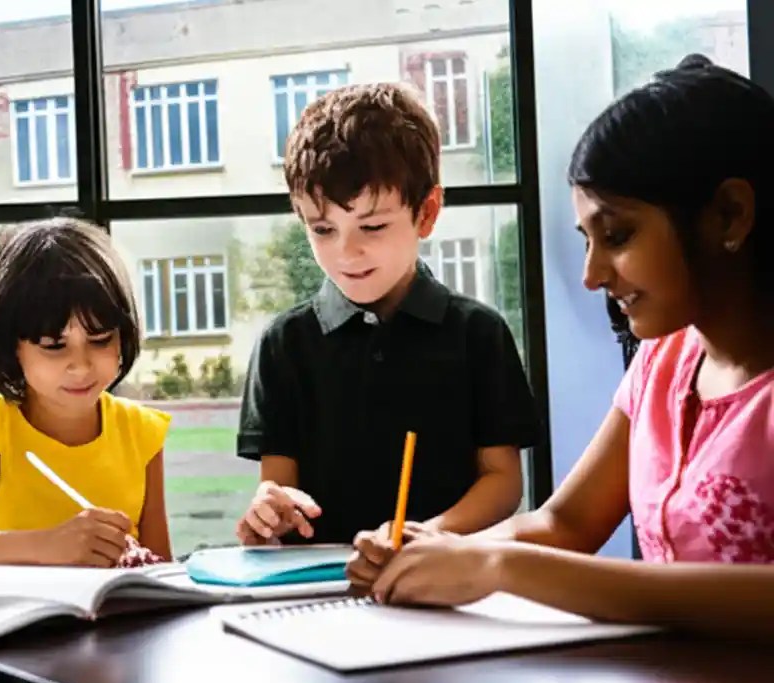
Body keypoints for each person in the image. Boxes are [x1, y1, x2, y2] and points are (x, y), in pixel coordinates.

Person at [354, 56, 774, 640]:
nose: (591, 275)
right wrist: (442, 551)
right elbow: (567, 521)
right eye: (588, 241)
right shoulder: (664, 363)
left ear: (730, 215)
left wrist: (501, 566)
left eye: (617, 235)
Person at [235, 82, 540, 550]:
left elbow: (503, 481)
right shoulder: (283, 344)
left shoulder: (479, 334)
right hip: (318, 584)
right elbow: (278, 486)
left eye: (373, 226)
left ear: (427, 212)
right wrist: (270, 511)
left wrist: (428, 535)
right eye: (323, 229)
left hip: (443, 577)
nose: (347, 251)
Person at [0, 218, 171, 576]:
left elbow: (162, 572)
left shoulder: (141, 432)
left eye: (101, 340)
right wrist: (45, 545)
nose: (81, 366)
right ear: (12, 347)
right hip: (10, 611)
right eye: (54, 346)